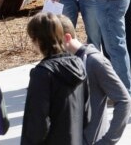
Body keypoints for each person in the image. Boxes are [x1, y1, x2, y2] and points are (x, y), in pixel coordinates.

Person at [58, 15, 131, 145]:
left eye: (51, 43)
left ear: (67, 38)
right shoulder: (63, 62)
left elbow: (124, 101)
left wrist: (108, 141)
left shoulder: (95, 62)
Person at [20, 13, 87, 144]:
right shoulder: (78, 64)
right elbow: (87, 114)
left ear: (38, 41)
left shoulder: (42, 74)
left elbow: (36, 122)